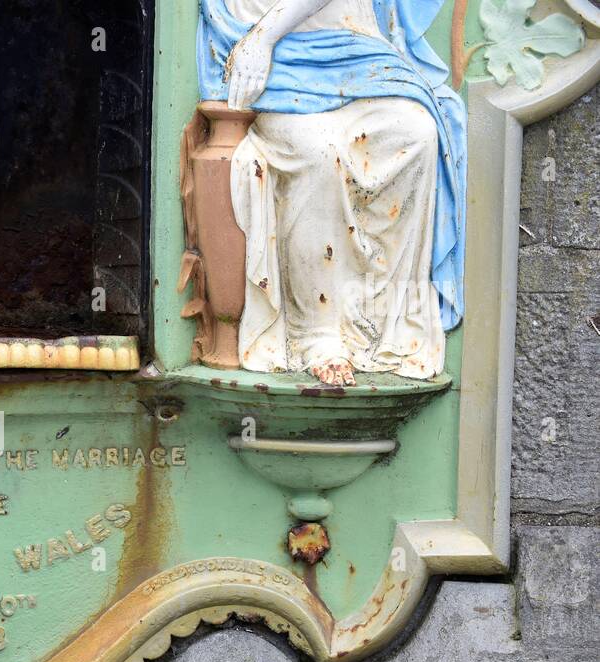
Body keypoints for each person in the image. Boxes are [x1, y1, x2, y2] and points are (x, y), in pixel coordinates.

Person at [199, 0, 467, 385]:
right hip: (281, 70)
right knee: (317, 152)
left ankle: (384, 323)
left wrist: (266, 34)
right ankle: (318, 335)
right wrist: (261, 39)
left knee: (417, 132)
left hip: (354, 57)